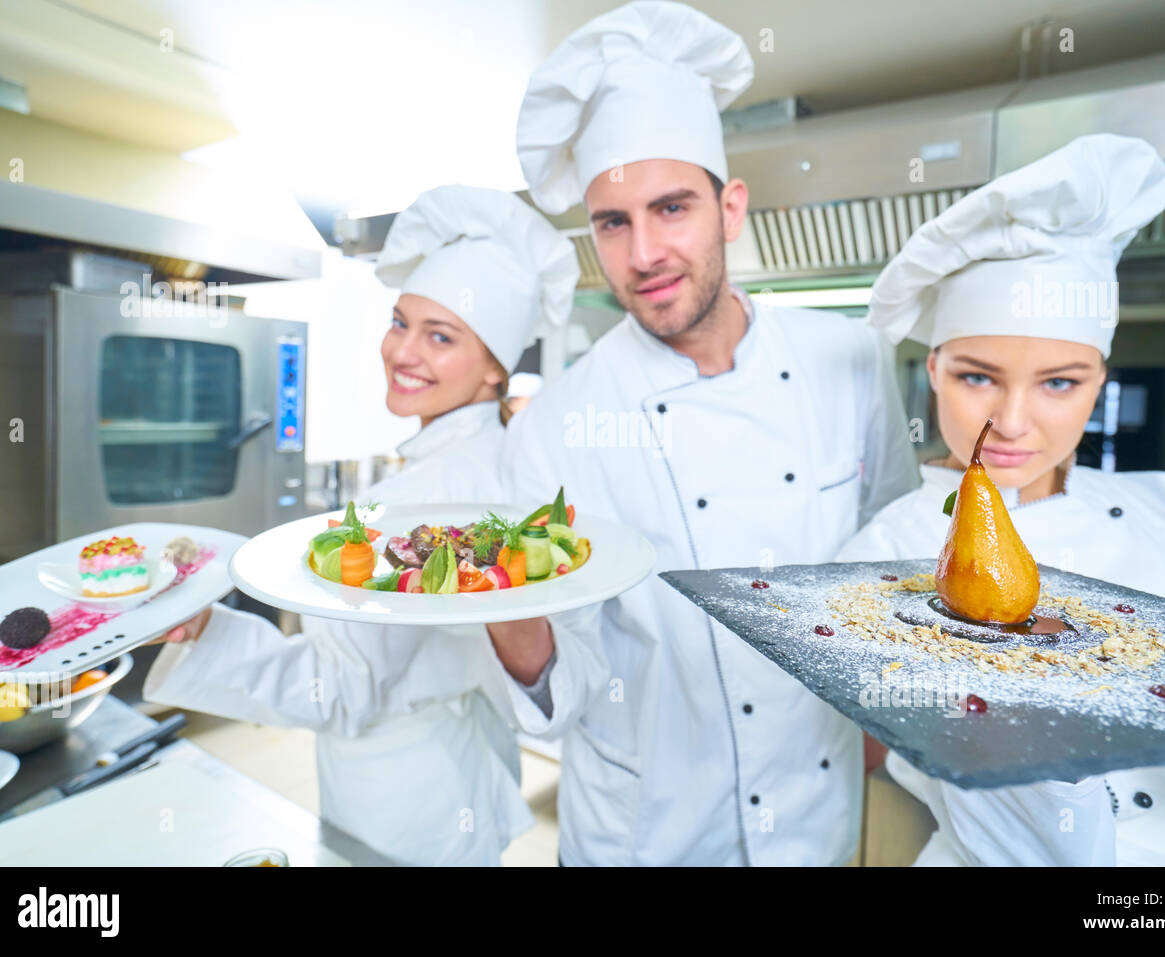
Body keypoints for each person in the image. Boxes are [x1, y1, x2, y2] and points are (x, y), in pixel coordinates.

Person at [482, 1, 918, 865]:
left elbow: (894, 566)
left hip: (814, 821)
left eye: (672, 207)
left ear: (732, 207)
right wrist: (496, 608)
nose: (643, 252)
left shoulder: (852, 362)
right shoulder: (556, 425)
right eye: (612, 221)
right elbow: (553, 686)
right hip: (644, 831)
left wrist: (880, 720)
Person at [835, 133, 1165, 866]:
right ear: (934, 369)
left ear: (1099, 381)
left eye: (1060, 382)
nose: (1011, 421)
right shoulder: (874, 558)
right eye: (977, 376)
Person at [143, 185, 580, 865]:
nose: (403, 351)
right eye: (400, 321)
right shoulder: (486, 459)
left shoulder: (432, 495)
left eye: (440, 337)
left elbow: (340, 688)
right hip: (455, 779)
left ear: (496, 368)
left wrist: (209, 635)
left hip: (407, 799)